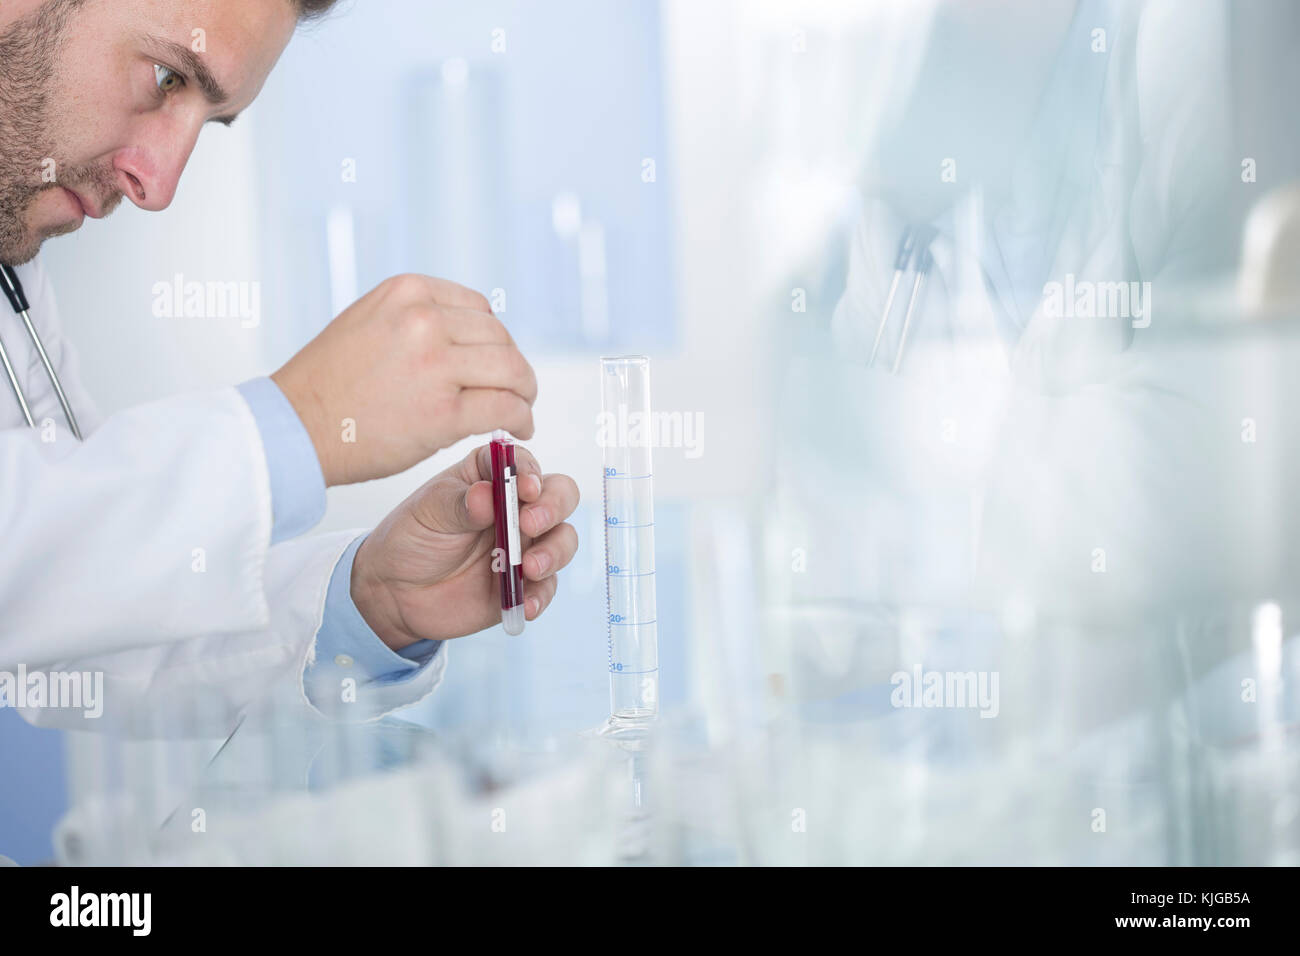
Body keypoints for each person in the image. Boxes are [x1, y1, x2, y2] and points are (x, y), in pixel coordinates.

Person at [0, 0, 580, 728]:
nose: (160, 185)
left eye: (207, 124)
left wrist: (368, 602)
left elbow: (75, 616)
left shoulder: (12, 271)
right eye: (165, 77)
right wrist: (295, 429)